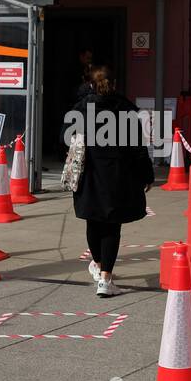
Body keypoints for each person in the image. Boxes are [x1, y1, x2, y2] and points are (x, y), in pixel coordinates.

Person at [68, 66, 154, 297]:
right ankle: (106, 278)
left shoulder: (81, 110)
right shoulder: (126, 111)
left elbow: (65, 138)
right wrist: (147, 175)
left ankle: (97, 264)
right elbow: (138, 149)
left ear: (92, 85)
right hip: (118, 175)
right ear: (114, 84)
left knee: (92, 221)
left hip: (88, 174)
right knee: (111, 226)